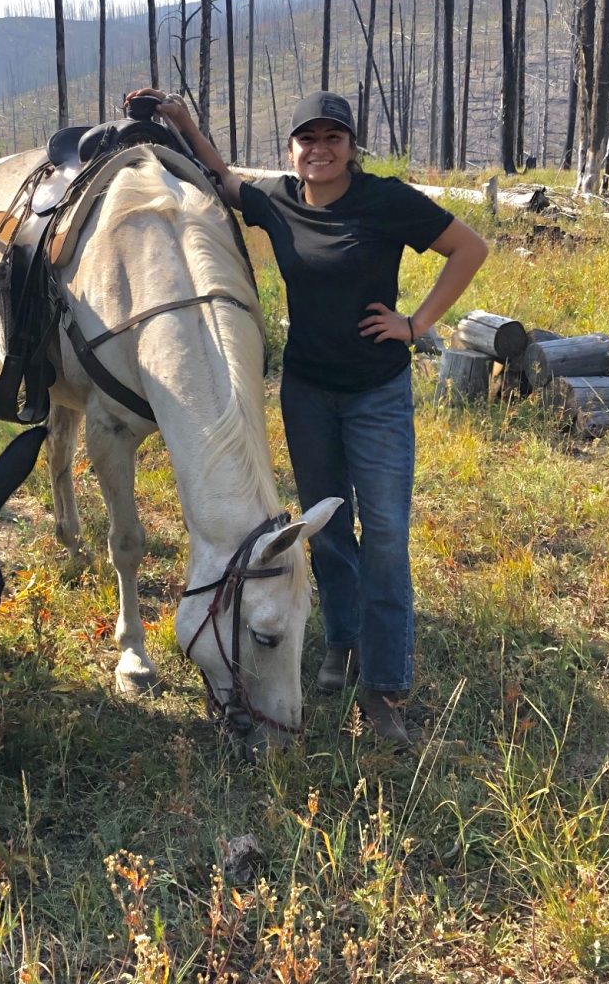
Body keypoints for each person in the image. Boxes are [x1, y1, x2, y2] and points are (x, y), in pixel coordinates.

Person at [125, 87, 487, 744]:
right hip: (307, 393)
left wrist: (417, 323)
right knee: (325, 530)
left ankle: (383, 689)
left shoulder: (385, 200)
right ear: (292, 149)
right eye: (308, 140)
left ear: (352, 147)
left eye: (333, 139)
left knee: (384, 537)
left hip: (376, 394)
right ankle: (340, 641)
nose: (319, 151)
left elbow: (470, 249)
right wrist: (181, 122)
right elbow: (224, 179)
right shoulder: (281, 200)